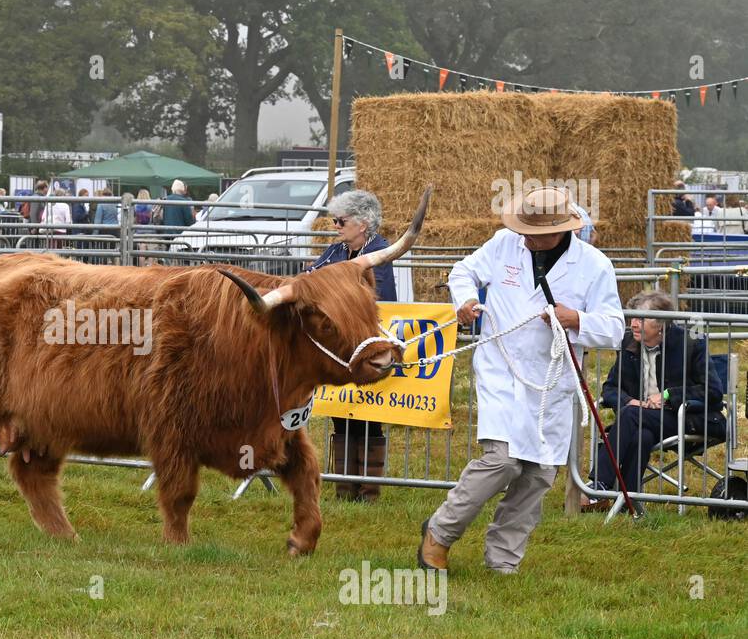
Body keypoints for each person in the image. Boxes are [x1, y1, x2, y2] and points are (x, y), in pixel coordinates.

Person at [418, 186, 624, 574]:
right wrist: (463, 300)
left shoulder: (595, 266)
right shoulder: (503, 244)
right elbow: (463, 271)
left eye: (535, 231)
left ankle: (503, 560)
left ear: (563, 229)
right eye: (523, 228)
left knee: (538, 474)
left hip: (551, 382)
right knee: (502, 462)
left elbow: (614, 329)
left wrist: (575, 319)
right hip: (501, 371)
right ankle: (439, 533)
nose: (526, 236)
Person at [582, 291, 726, 506]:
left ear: (661, 323)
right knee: (641, 434)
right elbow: (610, 388)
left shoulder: (690, 343)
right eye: (632, 319)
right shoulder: (629, 344)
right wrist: (628, 401)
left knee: (632, 417)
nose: (635, 325)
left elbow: (713, 392)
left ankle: (599, 484)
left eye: (642, 319)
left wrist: (669, 395)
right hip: (642, 417)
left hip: (689, 417)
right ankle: (631, 502)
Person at [307, 190, 398, 501]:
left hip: (368, 343)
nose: (335, 226)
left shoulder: (381, 252)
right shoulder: (335, 251)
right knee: (341, 409)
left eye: (341, 220)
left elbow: (379, 295)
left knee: (370, 413)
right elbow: (311, 278)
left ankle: (368, 490)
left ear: (362, 223)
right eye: (334, 220)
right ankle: (344, 487)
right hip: (339, 345)